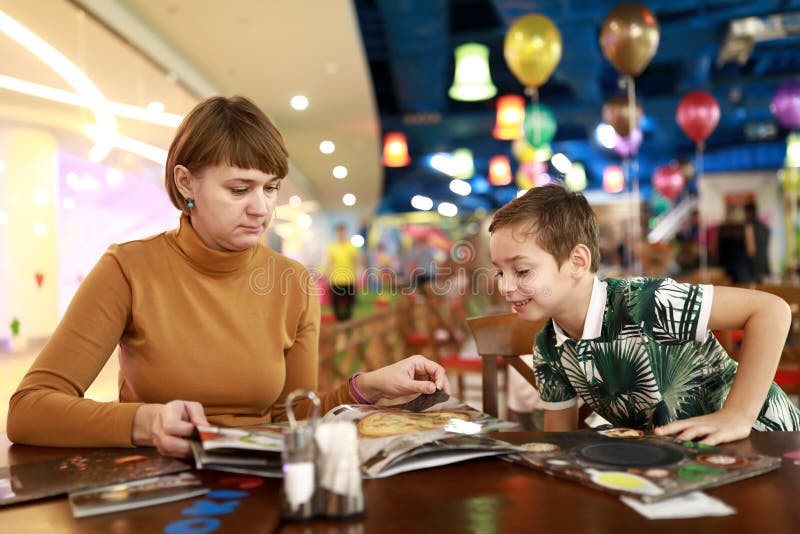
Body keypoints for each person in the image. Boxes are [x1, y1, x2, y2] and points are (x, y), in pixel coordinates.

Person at [7, 96, 450, 458]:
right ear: (186, 183)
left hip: (260, 483)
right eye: (239, 189)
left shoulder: (292, 282)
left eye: (270, 187)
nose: (261, 208)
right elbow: (28, 410)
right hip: (158, 480)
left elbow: (290, 419)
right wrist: (143, 422)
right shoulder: (128, 268)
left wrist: (366, 386)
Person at [488, 184, 799, 445]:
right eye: (500, 272)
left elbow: (771, 310)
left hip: (763, 439)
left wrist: (738, 414)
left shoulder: (648, 302)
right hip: (682, 463)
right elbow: (560, 442)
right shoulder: (548, 347)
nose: (505, 286)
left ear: (577, 262)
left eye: (522, 270)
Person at [326, 224, 360, 321]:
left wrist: (357, 277)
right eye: (339, 231)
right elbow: (329, 263)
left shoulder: (351, 246)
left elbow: (356, 262)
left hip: (349, 280)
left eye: (343, 231)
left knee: (350, 305)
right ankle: (338, 324)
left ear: (345, 232)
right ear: (336, 232)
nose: (341, 233)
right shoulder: (332, 247)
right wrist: (328, 278)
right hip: (335, 280)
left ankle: (348, 324)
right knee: (335, 305)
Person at [744, 202, 770, 283]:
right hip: (764, 265)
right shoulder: (765, 227)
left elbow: (750, 250)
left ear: (748, 212)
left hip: (752, 268)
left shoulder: (748, 227)